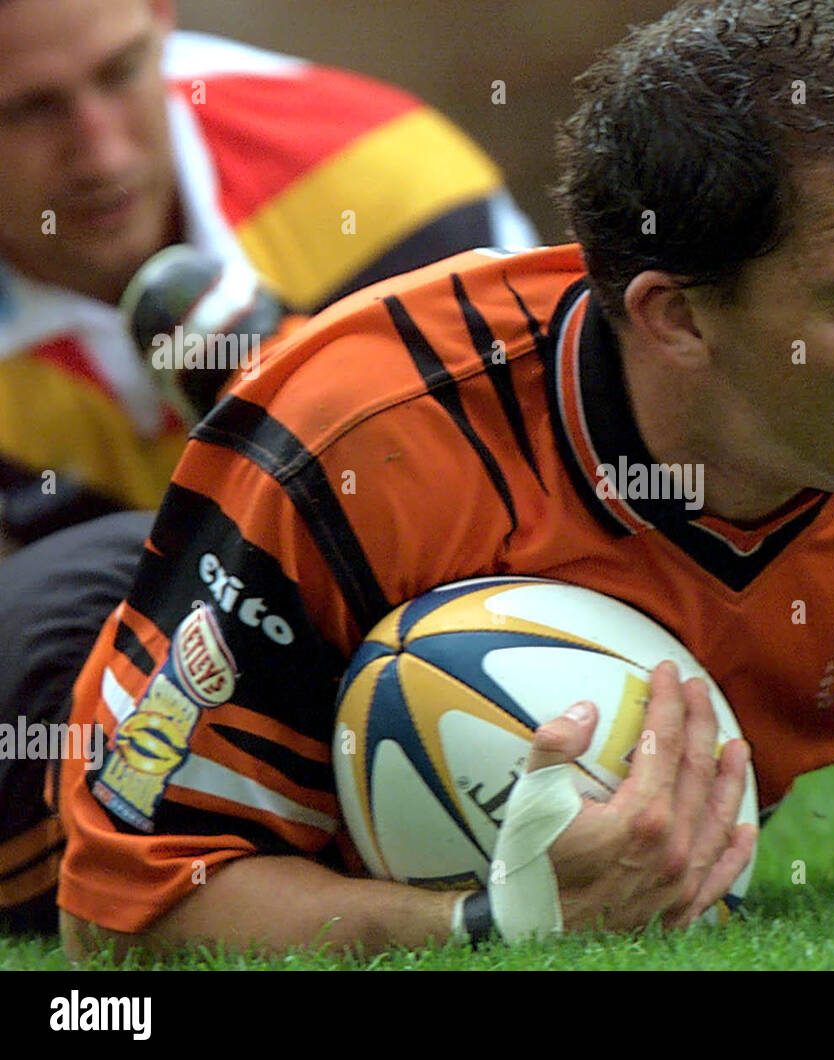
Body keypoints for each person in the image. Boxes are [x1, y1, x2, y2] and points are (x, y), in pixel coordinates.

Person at [55, 0, 834, 960]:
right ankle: (254, 360)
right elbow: (113, 915)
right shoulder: (346, 452)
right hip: (92, 623)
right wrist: (483, 922)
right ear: (678, 315)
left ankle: (244, 342)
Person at [0, 0, 536, 931]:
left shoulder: (387, 185)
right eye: (22, 111)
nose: (101, 153)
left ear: (163, 17)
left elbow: (561, 522)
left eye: (123, 72)